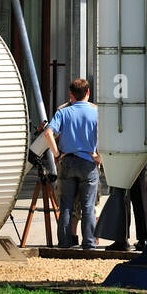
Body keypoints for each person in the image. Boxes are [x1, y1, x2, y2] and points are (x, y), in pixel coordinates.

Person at [43, 77, 101, 250]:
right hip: (89, 162)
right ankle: (89, 243)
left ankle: (65, 242)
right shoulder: (96, 112)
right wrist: (99, 157)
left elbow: (48, 133)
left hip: (67, 161)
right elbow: (106, 136)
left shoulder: (63, 112)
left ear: (71, 94)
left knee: (66, 205)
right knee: (88, 206)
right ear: (88, 93)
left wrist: (57, 153)